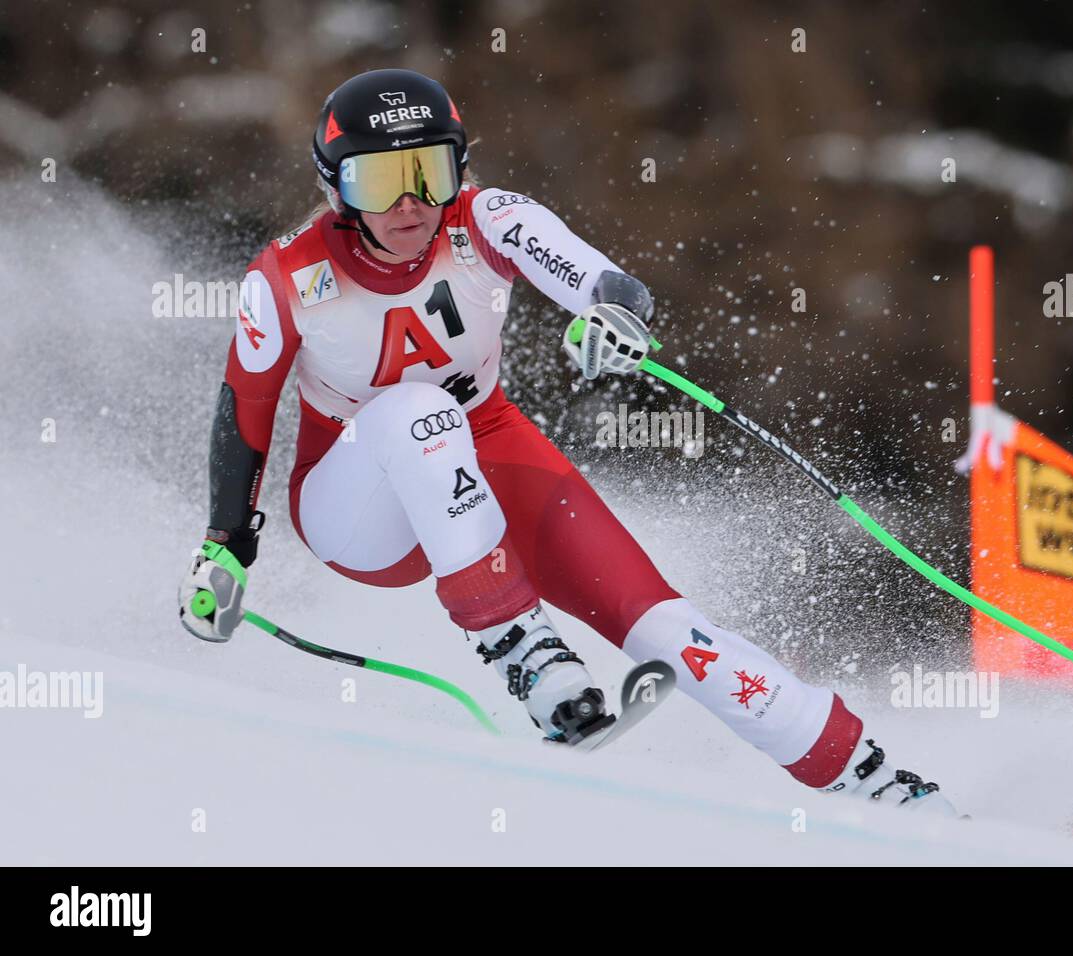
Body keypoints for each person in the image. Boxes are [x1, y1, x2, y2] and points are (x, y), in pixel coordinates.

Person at [176, 68, 956, 814]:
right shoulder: (283, 278)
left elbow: (599, 279)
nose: (411, 202)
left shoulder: (484, 221)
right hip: (357, 511)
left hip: (489, 455)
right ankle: (527, 657)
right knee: (413, 412)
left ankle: (871, 780)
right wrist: (225, 547)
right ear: (337, 190)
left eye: (431, 172)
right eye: (379, 181)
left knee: (665, 625)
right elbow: (245, 409)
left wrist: (612, 314)